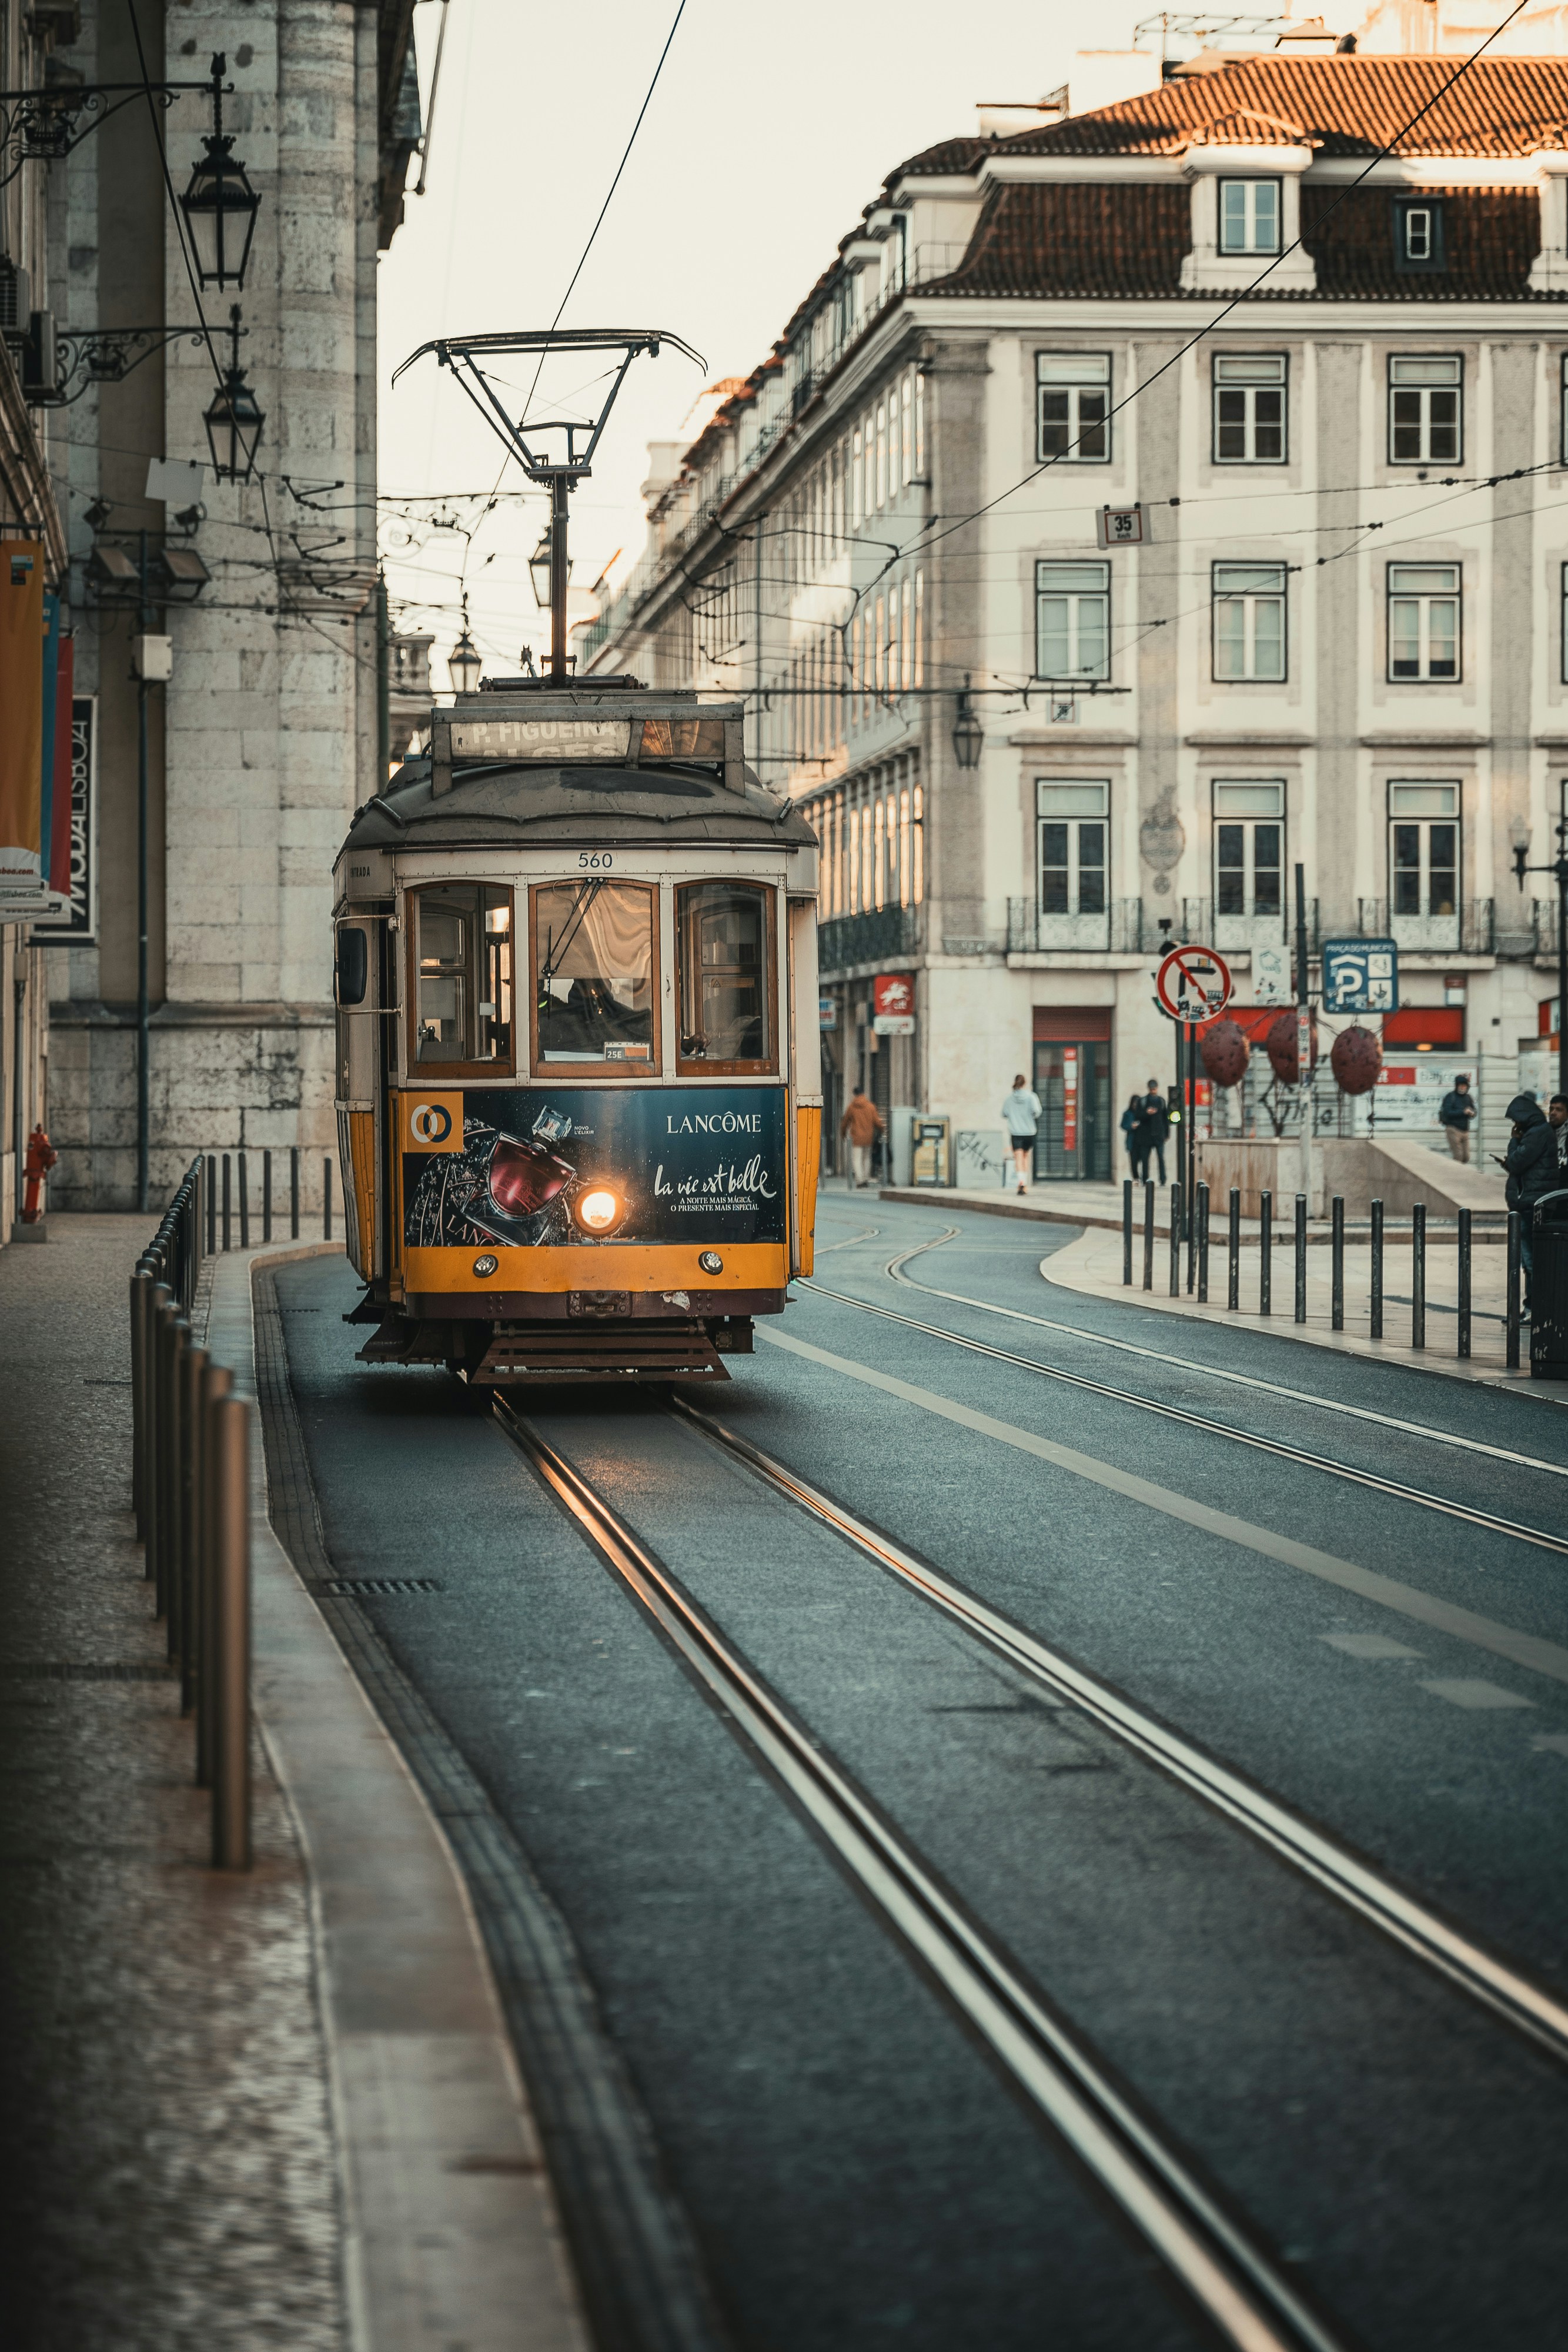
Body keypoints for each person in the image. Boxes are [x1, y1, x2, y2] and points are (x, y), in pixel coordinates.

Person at [1501, 1092, 1563, 1313]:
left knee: (1530, 1261)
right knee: (1529, 1261)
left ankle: (1534, 1308)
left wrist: (1514, 1141)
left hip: (1531, 1205)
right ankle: (1534, 1307)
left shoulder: (1537, 1133)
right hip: (1529, 1202)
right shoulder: (1540, 1132)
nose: (1516, 1125)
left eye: (1517, 1120)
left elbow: (1516, 1163)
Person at [1002, 1073, 1042, 1196]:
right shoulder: (1032, 1097)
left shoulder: (1009, 1099)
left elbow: (1004, 1113)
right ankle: (1024, 1183)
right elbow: (1037, 1112)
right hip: (1029, 1132)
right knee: (1026, 1157)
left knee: (1018, 1157)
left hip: (1016, 1132)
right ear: (1025, 1083)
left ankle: (1021, 1182)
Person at [840, 1087, 885, 1190]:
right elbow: (878, 1122)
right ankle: (865, 1179)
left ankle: (860, 1180)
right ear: (863, 1094)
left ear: (855, 1095)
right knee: (867, 1158)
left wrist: (843, 1134)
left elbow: (845, 1122)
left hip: (856, 1138)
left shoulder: (852, 1107)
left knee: (857, 1159)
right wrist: (882, 1130)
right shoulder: (871, 1106)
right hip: (869, 1138)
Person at [1440, 1074, 1477, 1163]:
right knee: (1458, 1156)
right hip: (1453, 1129)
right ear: (1457, 1086)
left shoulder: (1468, 1097)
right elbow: (1447, 1113)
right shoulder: (1451, 1097)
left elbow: (1473, 1111)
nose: (1462, 1088)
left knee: (1466, 1157)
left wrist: (1472, 1114)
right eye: (1460, 1086)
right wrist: (1463, 1112)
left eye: (1464, 1086)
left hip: (1465, 1130)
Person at [1140, 1080, 1171, 1186]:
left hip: (1158, 1135)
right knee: (1145, 1160)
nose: (1153, 1091)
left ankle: (1163, 1180)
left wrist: (1166, 1134)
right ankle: (1145, 1179)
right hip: (1147, 1135)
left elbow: (1165, 1119)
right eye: (1152, 1089)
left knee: (1161, 1158)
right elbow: (1139, 1116)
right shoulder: (1143, 1101)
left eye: (1155, 1088)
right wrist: (1147, 1113)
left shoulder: (1161, 1101)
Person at [1120, 1091, 1147, 1182]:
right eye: (1134, 1103)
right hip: (1132, 1140)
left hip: (1142, 1140)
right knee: (1134, 1161)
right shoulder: (1128, 1114)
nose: (1135, 1105)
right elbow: (1123, 1125)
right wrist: (1131, 1126)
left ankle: (1145, 1178)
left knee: (1144, 1160)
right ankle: (1136, 1177)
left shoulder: (1143, 1113)